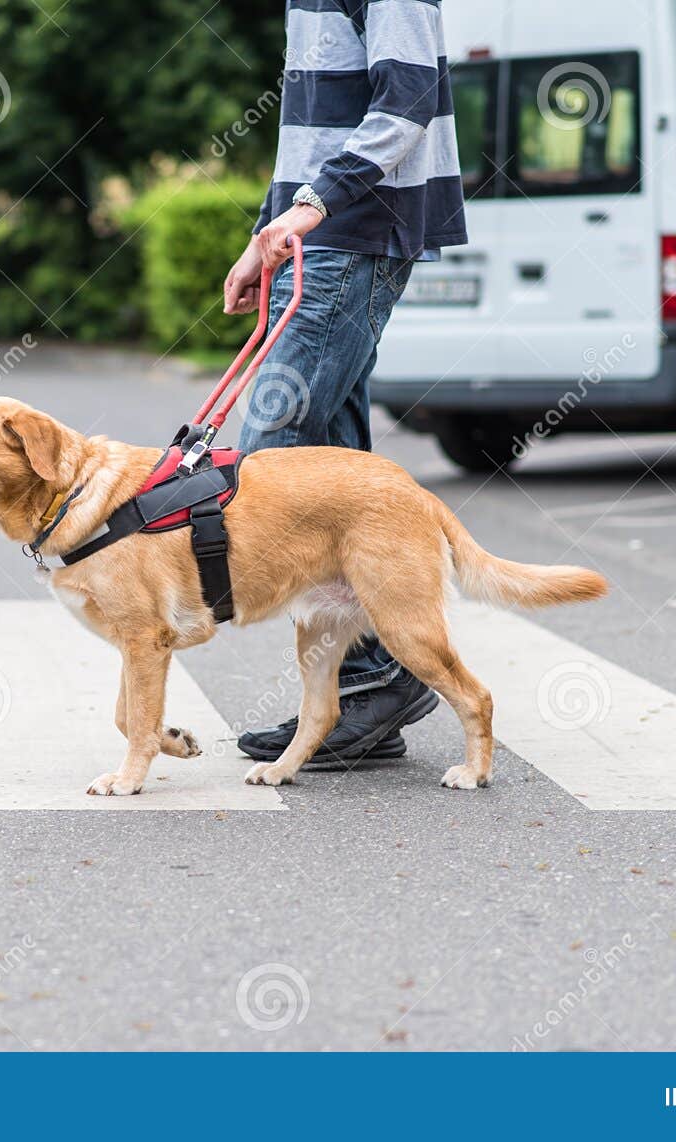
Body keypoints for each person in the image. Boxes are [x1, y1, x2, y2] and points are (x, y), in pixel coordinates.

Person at [224, 0, 467, 768]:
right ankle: (367, 690)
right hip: (321, 236)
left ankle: (376, 681)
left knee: (268, 462)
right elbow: (308, 136)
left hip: (351, 233)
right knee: (334, 461)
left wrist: (310, 209)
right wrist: (265, 234)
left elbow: (408, 102)